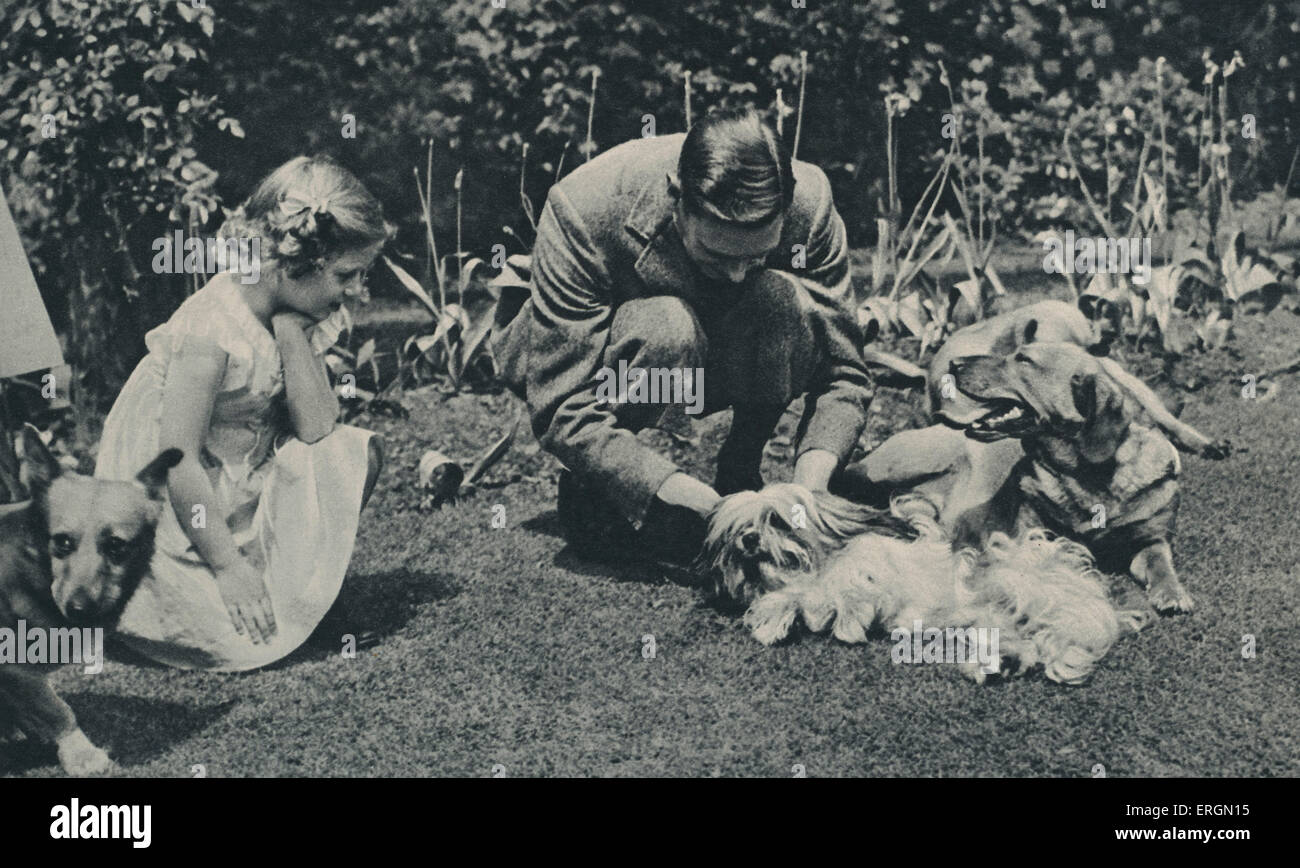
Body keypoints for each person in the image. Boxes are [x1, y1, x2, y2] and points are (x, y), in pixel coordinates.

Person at [494, 106, 873, 562]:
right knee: (668, 327)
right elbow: (563, 404)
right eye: (717, 254)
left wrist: (809, 492)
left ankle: (740, 469)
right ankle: (596, 492)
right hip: (598, 355)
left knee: (780, 299)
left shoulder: (810, 205)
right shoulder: (583, 206)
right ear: (677, 199)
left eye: (755, 256)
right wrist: (691, 500)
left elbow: (844, 373)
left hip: (713, 340)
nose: (736, 276)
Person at [95, 155, 389, 670]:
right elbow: (176, 459)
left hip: (242, 473)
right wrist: (228, 566)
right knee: (228, 636)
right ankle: (209, 587)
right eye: (347, 274)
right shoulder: (212, 332)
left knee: (353, 454)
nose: (357, 291)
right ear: (294, 262)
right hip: (177, 498)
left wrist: (291, 332)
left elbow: (319, 431)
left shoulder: (302, 310)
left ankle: (306, 591)